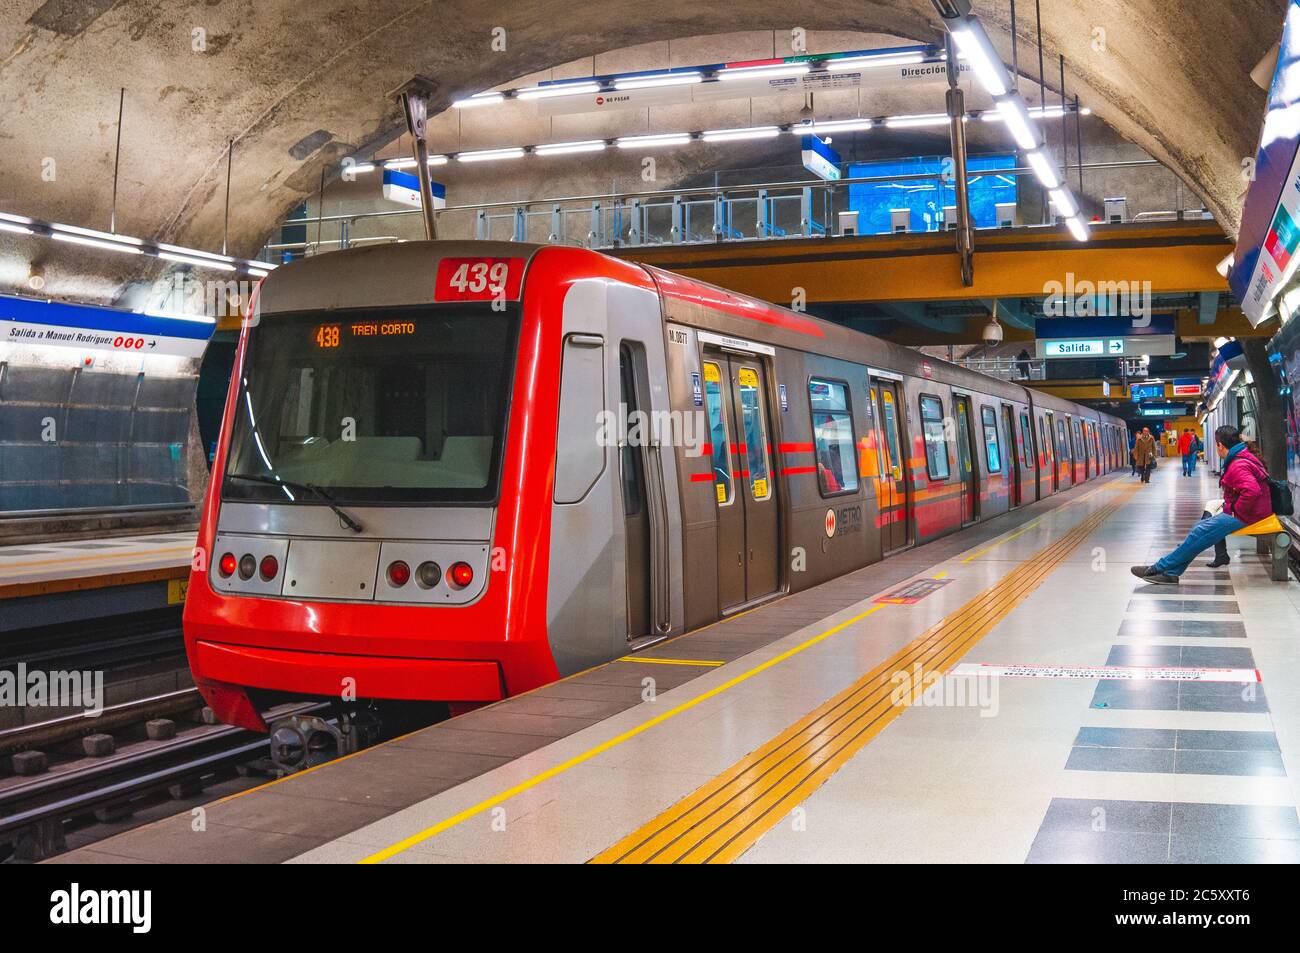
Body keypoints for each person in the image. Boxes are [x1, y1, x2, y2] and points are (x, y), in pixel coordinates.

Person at [1131, 425, 1273, 584]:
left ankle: (1158, 568)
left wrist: (1234, 510)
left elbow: (1252, 491)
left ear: (1220, 445)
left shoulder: (1238, 464)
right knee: (1199, 531)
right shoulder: (1240, 455)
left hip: (1249, 514)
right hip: (1255, 510)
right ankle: (1170, 573)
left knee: (1199, 532)